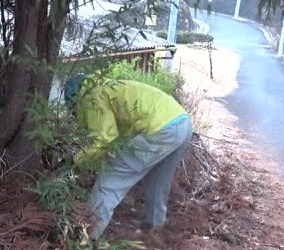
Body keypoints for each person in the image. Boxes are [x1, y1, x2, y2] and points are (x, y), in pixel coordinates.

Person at [64, 71, 193, 239]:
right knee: (158, 179)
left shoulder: (91, 98)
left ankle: (87, 236)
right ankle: (153, 229)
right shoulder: (108, 86)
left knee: (110, 179)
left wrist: (73, 161)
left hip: (160, 130)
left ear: (75, 101)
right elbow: (119, 131)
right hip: (182, 122)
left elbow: (103, 141)